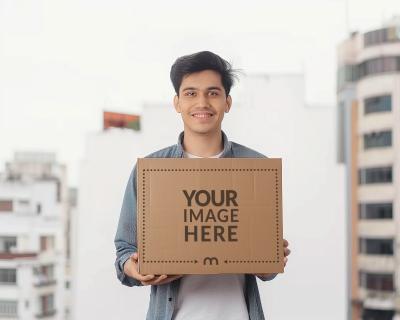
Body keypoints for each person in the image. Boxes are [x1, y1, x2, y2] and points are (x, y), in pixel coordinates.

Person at [114, 51, 291, 320]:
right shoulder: (150, 171)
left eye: (213, 93)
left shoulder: (255, 167)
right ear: (176, 102)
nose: (202, 102)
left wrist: (270, 259)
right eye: (190, 93)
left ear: (227, 102)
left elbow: (267, 269)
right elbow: (125, 250)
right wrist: (135, 269)